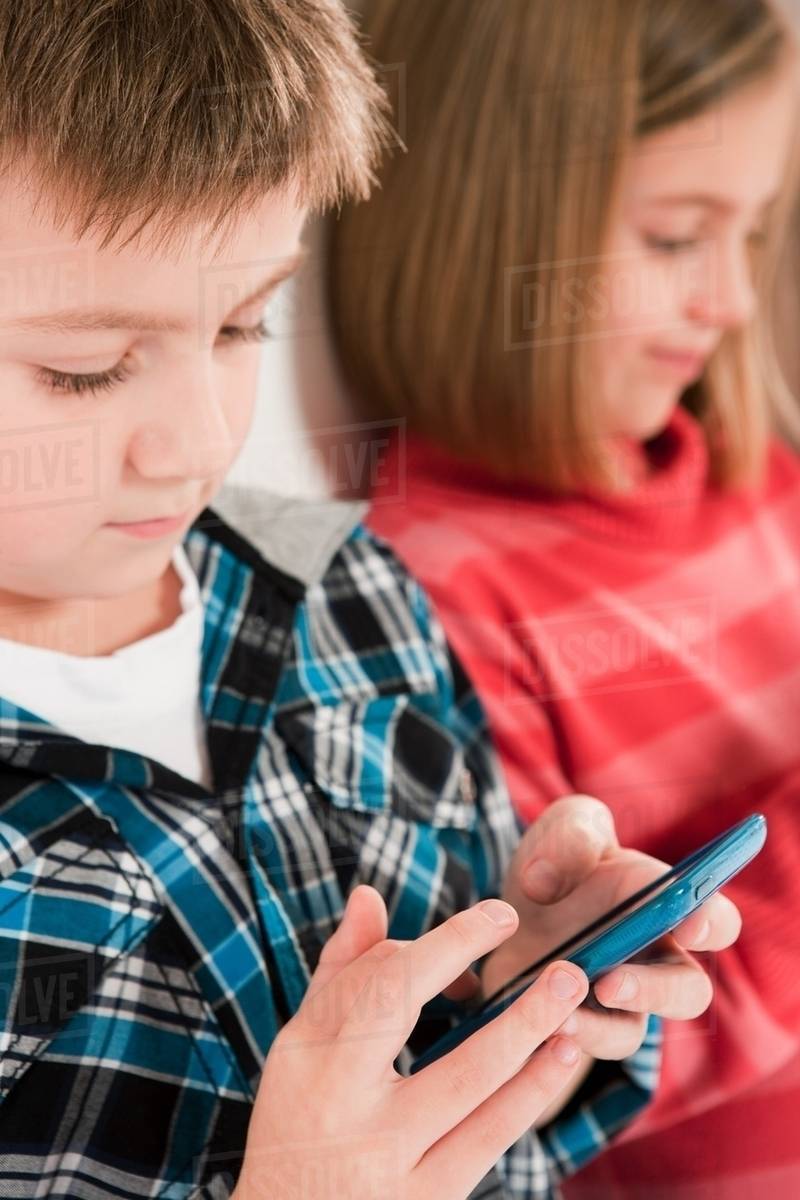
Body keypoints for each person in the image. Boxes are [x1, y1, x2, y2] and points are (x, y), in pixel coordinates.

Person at [328, 0, 800, 1196]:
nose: (732, 304)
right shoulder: (427, 597)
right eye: (674, 236)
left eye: (747, 236)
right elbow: (574, 1065)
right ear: (492, 236)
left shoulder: (757, 479)